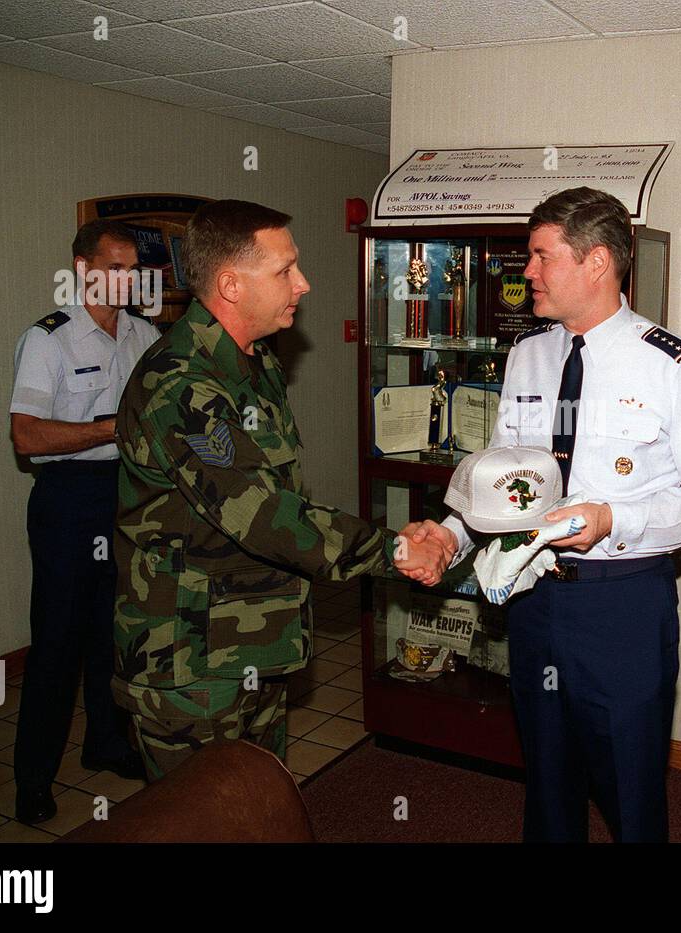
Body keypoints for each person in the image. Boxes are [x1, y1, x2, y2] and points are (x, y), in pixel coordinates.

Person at [404, 187, 681, 842]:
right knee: (549, 786)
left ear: (595, 262)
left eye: (540, 256)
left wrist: (615, 518)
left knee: (630, 789)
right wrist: (448, 533)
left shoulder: (673, 366)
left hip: (622, 609)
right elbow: (507, 482)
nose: (526, 271)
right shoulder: (529, 354)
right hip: (533, 602)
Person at [112, 199, 447, 780]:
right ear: (231, 284)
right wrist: (394, 549)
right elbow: (259, 512)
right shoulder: (181, 383)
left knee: (261, 806)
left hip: (253, 639)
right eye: (285, 270)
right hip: (191, 657)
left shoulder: (253, 362)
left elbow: (280, 494)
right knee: (203, 820)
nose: (304, 283)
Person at [9, 220, 159, 824]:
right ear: (82, 268)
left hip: (125, 493)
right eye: (113, 269)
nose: (125, 281)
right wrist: (105, 429)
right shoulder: (49, 340)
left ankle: (105, 741)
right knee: (57, 640)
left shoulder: (144, 334)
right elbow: (26, 437)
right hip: (68, 497)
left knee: (114, 629)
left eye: (132, 270)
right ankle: (33, 777)